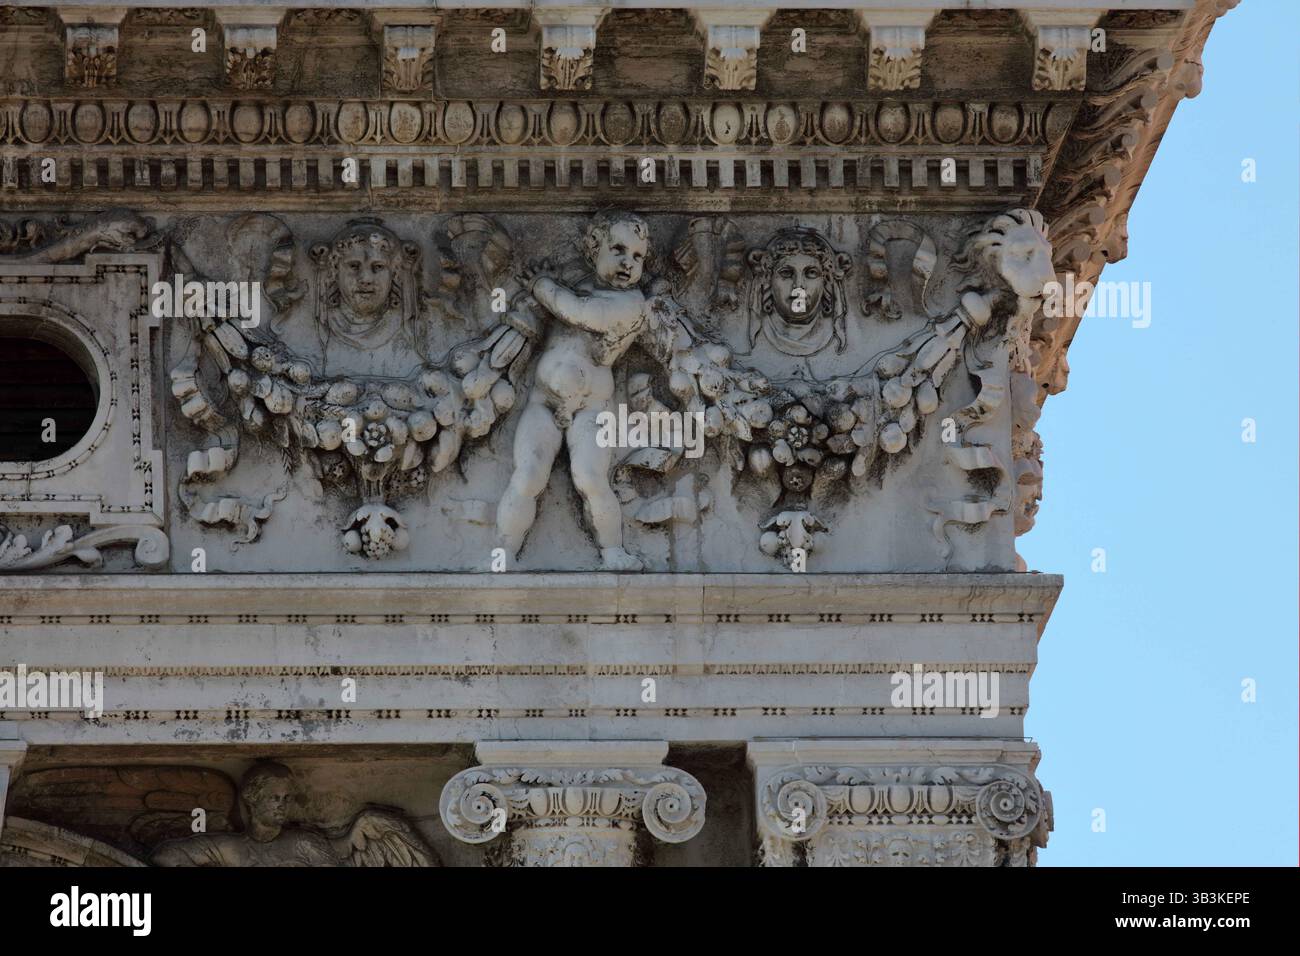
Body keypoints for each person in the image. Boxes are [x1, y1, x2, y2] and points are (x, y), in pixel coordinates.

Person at [496, 211, 652, 570]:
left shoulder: (630, 303)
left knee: (590, 478)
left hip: (591, 408)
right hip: (543, 402)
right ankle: (502, 554)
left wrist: (541, 286)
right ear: (593, 249)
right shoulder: (575, 281)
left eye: (638, 257)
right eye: (618, 250)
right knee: (528, 474)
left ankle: (612, 551)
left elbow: (581, 313)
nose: (629, 263)